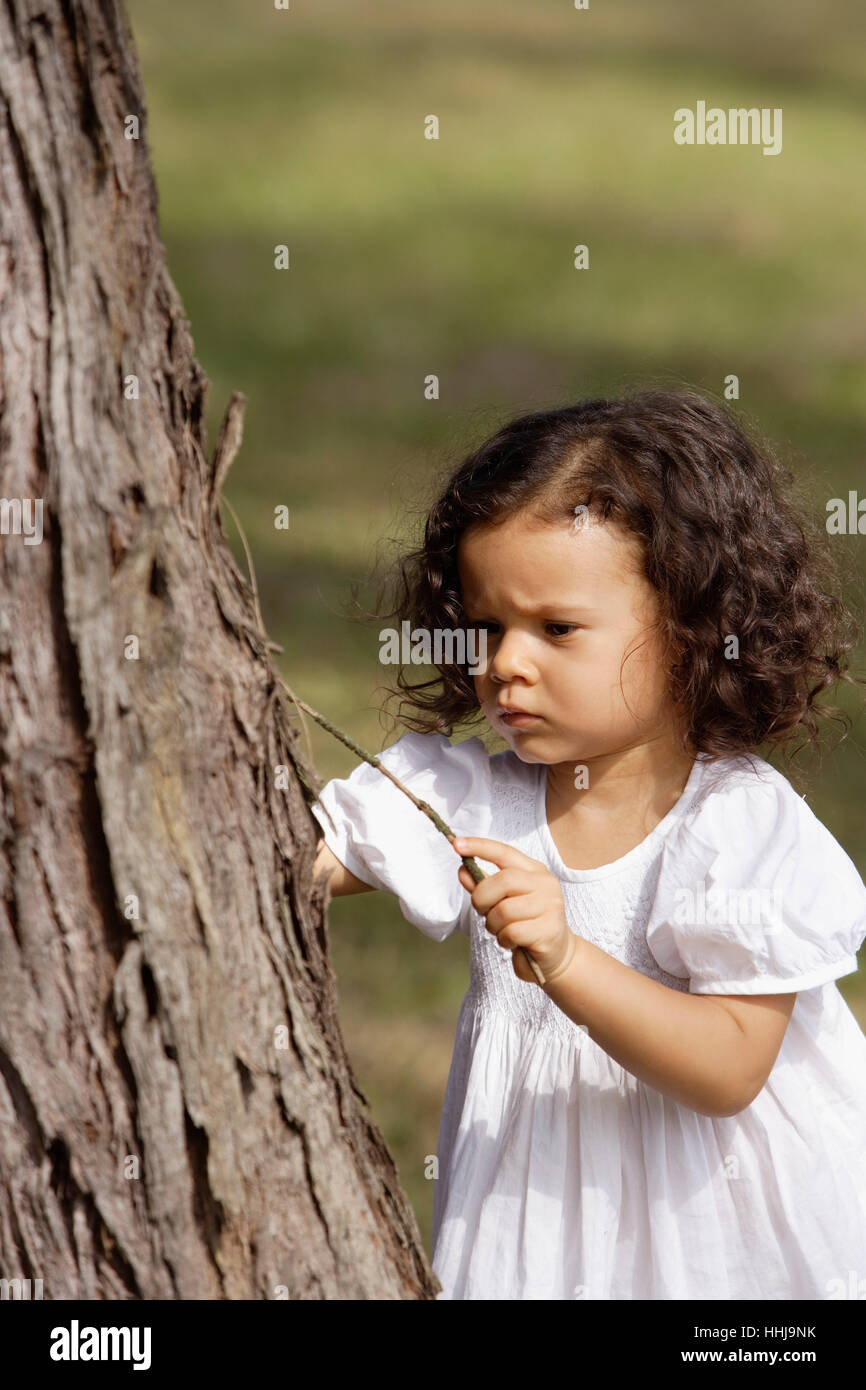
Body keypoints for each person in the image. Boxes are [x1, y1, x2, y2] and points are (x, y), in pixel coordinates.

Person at [311, 387, 866, 1300]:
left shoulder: (736, 829)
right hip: (538, 1229)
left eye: (556, 629)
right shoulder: (469, 800)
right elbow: (305, 861)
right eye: (487, 626)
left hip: (718, 1252)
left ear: (692, 629)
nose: (504, 664)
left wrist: (569, 959)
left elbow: (729, 1067)